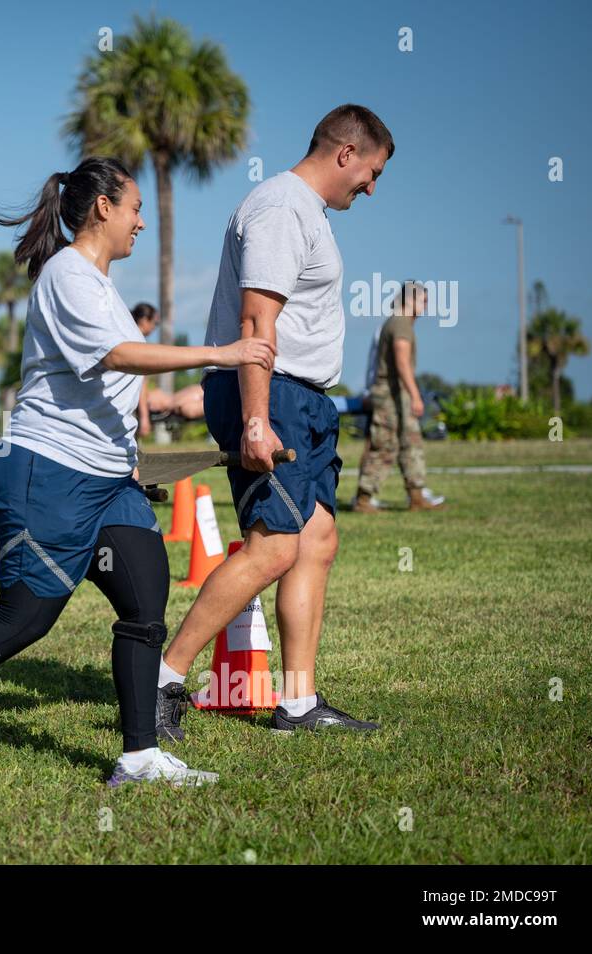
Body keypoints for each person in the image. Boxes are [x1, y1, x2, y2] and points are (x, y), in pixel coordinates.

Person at [0, 157, 275, 788]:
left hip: (110, 481)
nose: (142, 222)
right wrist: (222, 354)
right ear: (104, 208)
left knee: (145, 601)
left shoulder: (103, 285)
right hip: (48, 473)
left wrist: (129, 452)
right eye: (136, 208)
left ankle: (139, 756)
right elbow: (117, 356)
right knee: (27, 616)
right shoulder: (66, 275)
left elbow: (110, 381)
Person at [156, 105, 393, 744]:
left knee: (314, 541)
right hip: (270, 394)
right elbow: (256, 324)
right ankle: (162, 678)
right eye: (370, 173)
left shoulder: (306, 214)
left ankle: (297, 702)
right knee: (274, 546)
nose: (370, 189)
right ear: (346, 153)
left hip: (306, 398)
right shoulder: (282, 208)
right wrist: (257, 421)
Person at [353, 281, 445, 511]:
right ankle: (364, 498)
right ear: (410, 300)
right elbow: (402, 363)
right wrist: (416, 395)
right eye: (423, 301)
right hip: (390, 396)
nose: (425, 307)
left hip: (395, 395)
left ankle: (416, 494)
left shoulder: (398, 322)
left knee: (410, 443)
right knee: (384, 445)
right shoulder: (401, 324)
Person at [131, 303, 205, 436]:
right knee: (194, 398)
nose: (155, 327)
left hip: (159, 400)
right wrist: (144, 418)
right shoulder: (135, 343)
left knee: (197, 392)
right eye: (155, 322)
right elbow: (141, 384)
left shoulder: (131, 341)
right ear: (143, 320)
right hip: (151, 402)